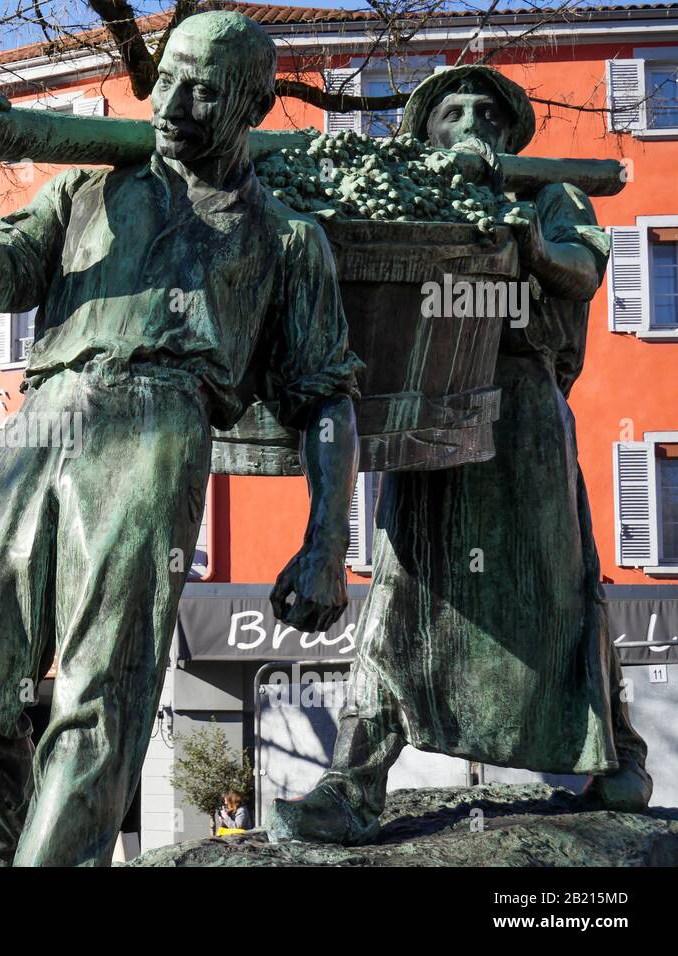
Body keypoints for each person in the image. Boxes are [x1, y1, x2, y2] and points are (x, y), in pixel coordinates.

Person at [0, 10, 363, 866]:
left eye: (203, 87)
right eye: (167, 78)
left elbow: (326, 399)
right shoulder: (88, 192)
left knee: (101, 698)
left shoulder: (283, 239)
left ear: (254, 106)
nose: (173, 102)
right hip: (40, 418)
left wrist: (327, 541)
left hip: (160, 424)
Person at [269, 65, 652, 846]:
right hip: (431, 398)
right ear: (428, 131)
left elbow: (583, 270)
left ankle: (622, 756)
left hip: (520, 405)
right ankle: (355, 780)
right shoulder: (415, 191)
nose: (472, 119)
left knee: (560, 587)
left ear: (509, 131)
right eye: (452, 110)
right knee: (402, 584)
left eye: (486, 109)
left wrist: (528, 244)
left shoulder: (547, 192)